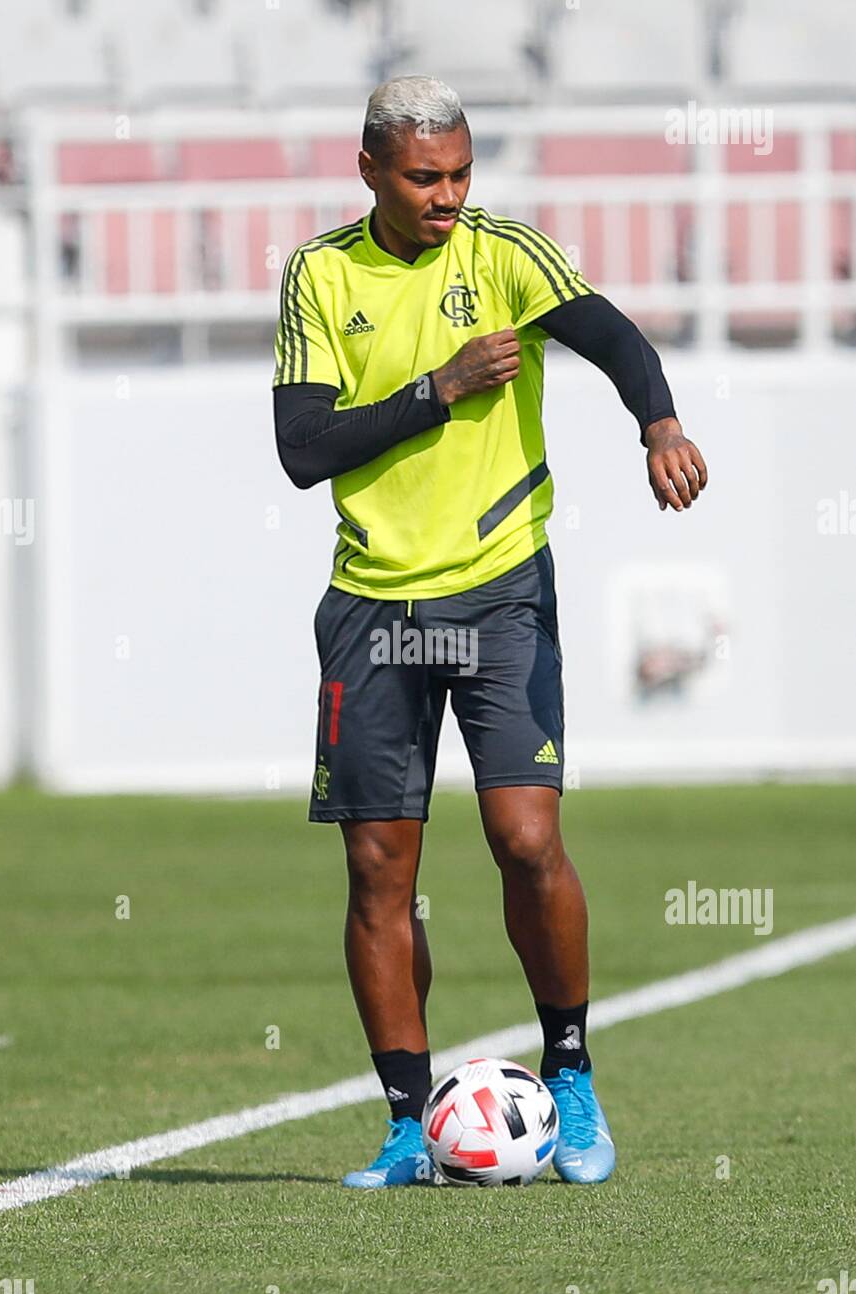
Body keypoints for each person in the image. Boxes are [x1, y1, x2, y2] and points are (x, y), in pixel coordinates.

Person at [272, 75, 707, 1189]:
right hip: (374, 604)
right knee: (379, 869)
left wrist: (656, 421)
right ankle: (407, 1124)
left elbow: (612, 338)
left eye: (462, 173)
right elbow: (304, 446)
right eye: (425, 176)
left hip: (500, 591)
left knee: (524, 837)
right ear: (369, 169)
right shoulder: (320, 275)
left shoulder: (505, 254)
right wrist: (443, 386)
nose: (449, 195)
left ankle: (569, 1070)